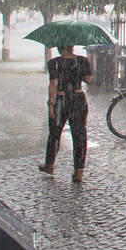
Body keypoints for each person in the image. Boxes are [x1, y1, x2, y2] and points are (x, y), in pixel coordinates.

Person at [39, 44, 93, 183]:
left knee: (55, 133)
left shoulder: (54, 63)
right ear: (72, 46)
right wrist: (77, 73)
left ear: (59, 48)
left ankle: (49, 164)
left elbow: (53, 84)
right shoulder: (82, 61)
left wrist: (50, 104)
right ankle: (78, 171)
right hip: (78, 98)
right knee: (79, 134)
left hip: (61, 100)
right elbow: (89, 80)